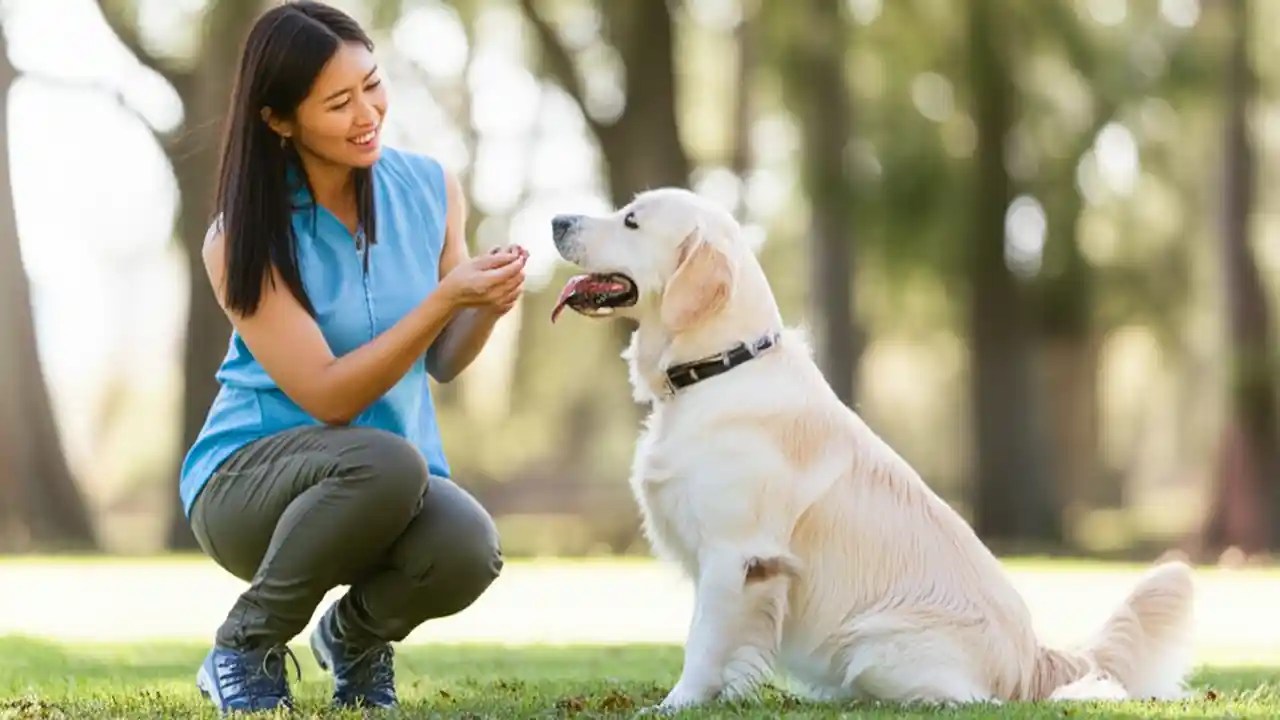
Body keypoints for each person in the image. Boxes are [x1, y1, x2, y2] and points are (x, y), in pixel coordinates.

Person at [178, 1, 523, 713]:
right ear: (279, 120)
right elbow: (330, 397)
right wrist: (442, 300)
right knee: (390, 461)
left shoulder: (429, 187)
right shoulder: (240, 237)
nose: (367, 112)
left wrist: (483, 304)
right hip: (250, 486)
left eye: (372, 84)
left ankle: (353, 639)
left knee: (466, 546)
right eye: (338, 102)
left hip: (383, 485)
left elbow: (445, 362)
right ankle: (243, 645)